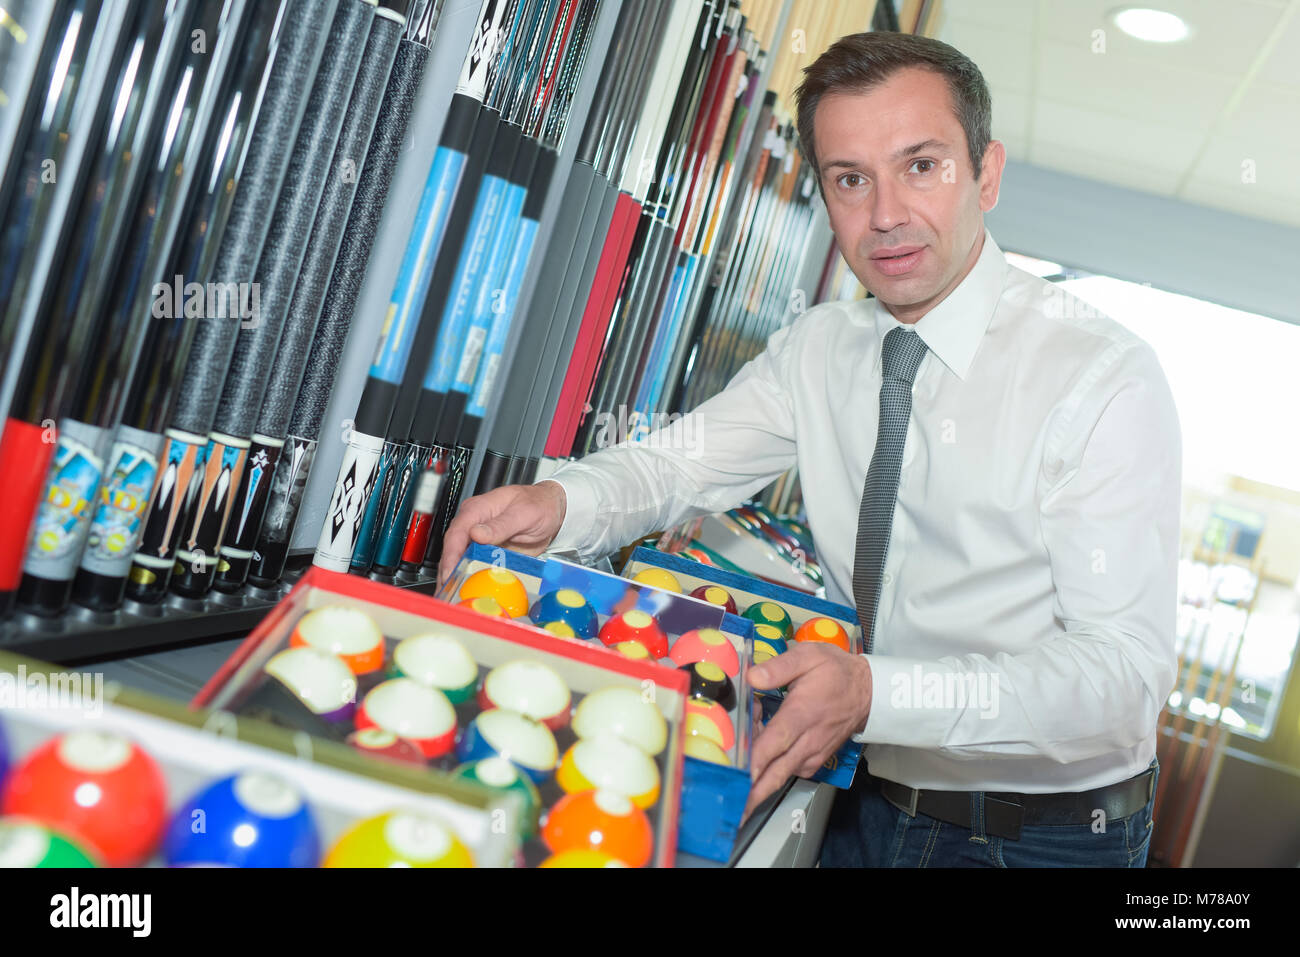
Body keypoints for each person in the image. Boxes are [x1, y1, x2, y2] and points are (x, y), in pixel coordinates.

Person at [439, 32, 1181, 867]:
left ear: (988, 172)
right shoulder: (821, 346)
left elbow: (1122, 679)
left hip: (1038, 835)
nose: (887, 213)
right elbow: (678, 465)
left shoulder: (1100, 376)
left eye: (922, 165)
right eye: (851, 179)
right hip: (851, 787)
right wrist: (563, 502)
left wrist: (876, 692)